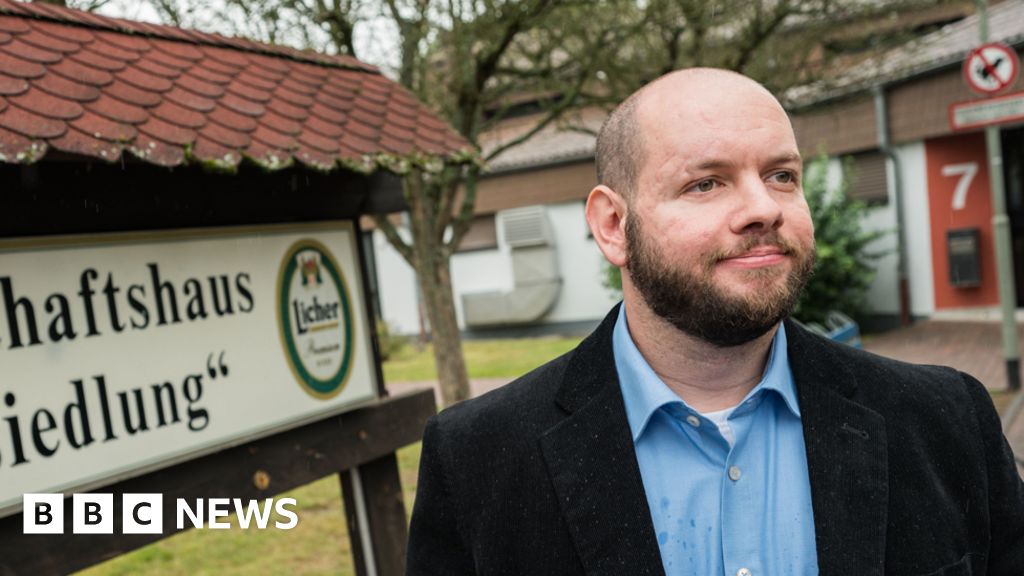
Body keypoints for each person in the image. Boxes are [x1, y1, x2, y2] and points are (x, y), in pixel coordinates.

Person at [406, 68, 1024, 575]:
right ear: (613, 226)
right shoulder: (478, 459)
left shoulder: (946, 422)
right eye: (706, 184)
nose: (763, 208)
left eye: (781, 176)